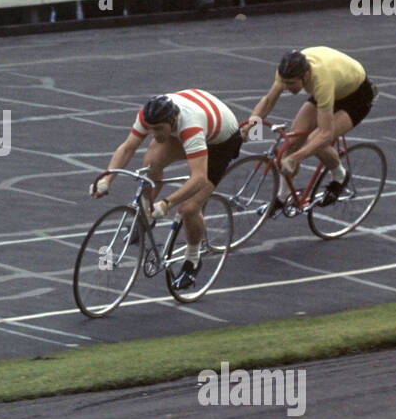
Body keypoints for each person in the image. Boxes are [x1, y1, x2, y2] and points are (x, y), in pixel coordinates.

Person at [91, 90, 242, 293]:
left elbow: (198, 178)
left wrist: (167, 203)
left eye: (159, 129)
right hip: (195, 117)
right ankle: (147, 217)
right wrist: (106, 180)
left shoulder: (191, 128)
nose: (154, 134)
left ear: (172, 120)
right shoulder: (149, 115)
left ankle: (193, 261)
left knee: (189, 208)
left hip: (221, 142)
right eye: (151, 129)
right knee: (149, 167)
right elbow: (128, 148)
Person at [242, 48, 377, 207]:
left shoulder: (322, 81)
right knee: (292, 142)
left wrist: (296, 158)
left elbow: (326, 134)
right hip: (334, 87)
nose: (285, 87)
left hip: (356, 97)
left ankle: (340, 175)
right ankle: (283, 197)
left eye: (291, 84)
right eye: (284, 83)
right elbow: (268, 102)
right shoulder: (285, 72)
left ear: (305, 76)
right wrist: (251, 128)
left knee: (316, 140)